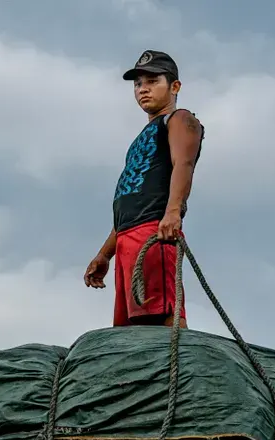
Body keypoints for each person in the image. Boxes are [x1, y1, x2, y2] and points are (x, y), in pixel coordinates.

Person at [84, 50, 205, 326]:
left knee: (161, 321)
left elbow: (183, 164)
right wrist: (105, 254)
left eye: (152, 81)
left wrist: (173, 212)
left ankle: (179, 369)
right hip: (127, 238)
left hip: (154, 232)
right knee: (131, 332)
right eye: (138, 84)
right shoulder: (140, 139)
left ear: (174, 86)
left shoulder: (179, 120)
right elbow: (132, 201)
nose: (143, 89)